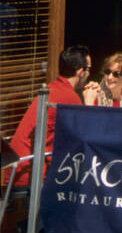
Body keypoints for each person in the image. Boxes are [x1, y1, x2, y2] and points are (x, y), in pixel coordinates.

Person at [9, 46, 91, 187]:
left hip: (17, 169)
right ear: (80, 71)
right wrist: (89, 102)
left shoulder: (53, 88)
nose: (90, 73)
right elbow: (86, 135)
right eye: (89, 68)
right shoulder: (68, 96)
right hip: (32, 175)